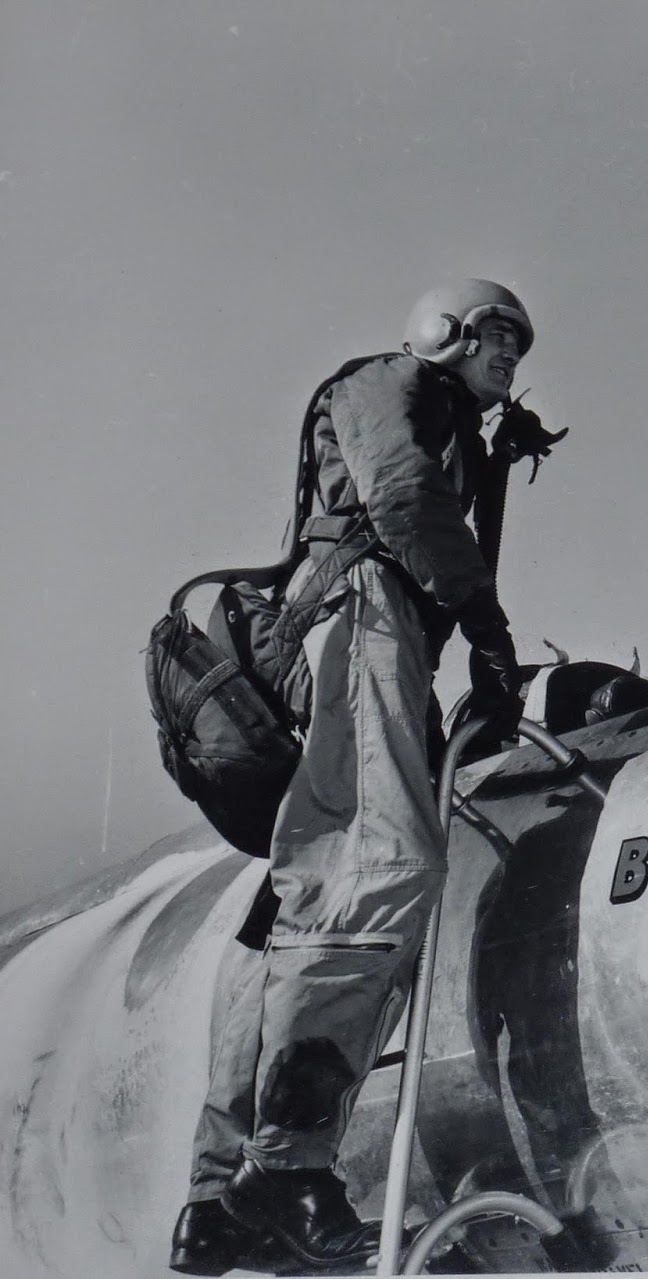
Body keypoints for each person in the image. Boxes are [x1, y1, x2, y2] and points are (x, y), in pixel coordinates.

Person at [169, 279, 537, 1275]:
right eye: (500, 335)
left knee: (290, 912)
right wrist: (490, 632)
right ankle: (286, 1170)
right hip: (363, 619)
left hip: (381, 638)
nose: (514, 354)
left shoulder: (447, 410)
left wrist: (489, 452)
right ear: (443, 331)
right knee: (378, 869)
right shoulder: (392, 383)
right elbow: (402, 495)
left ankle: (219, 1201)